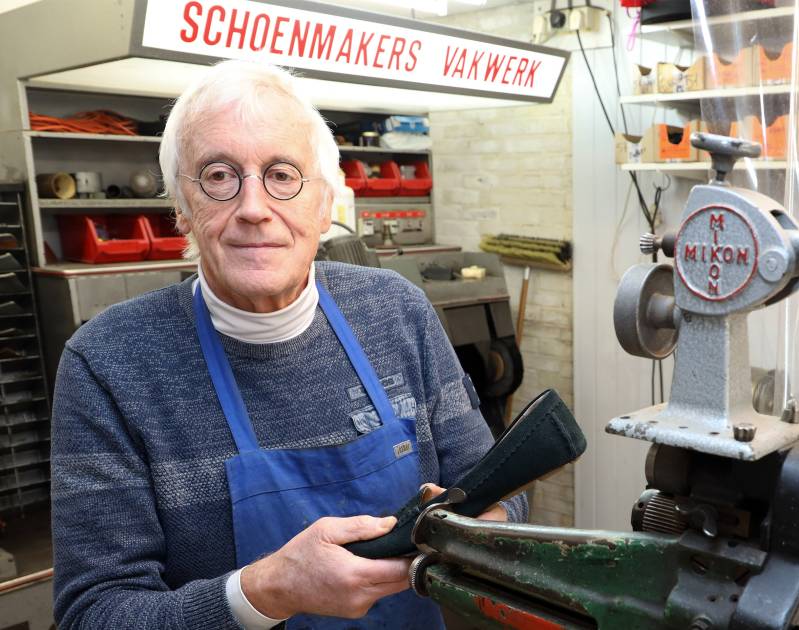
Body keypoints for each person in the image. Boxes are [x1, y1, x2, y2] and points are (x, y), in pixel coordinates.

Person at [50, 60, 526, 629]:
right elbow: (93, 614)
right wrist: (265, 591)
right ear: (181, 208)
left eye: (282, 174)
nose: (254, 208)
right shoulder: (106, 365)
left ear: (326, 205)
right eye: (220, 175)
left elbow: (498, 485)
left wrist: (488, 524)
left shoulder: (397, 312)